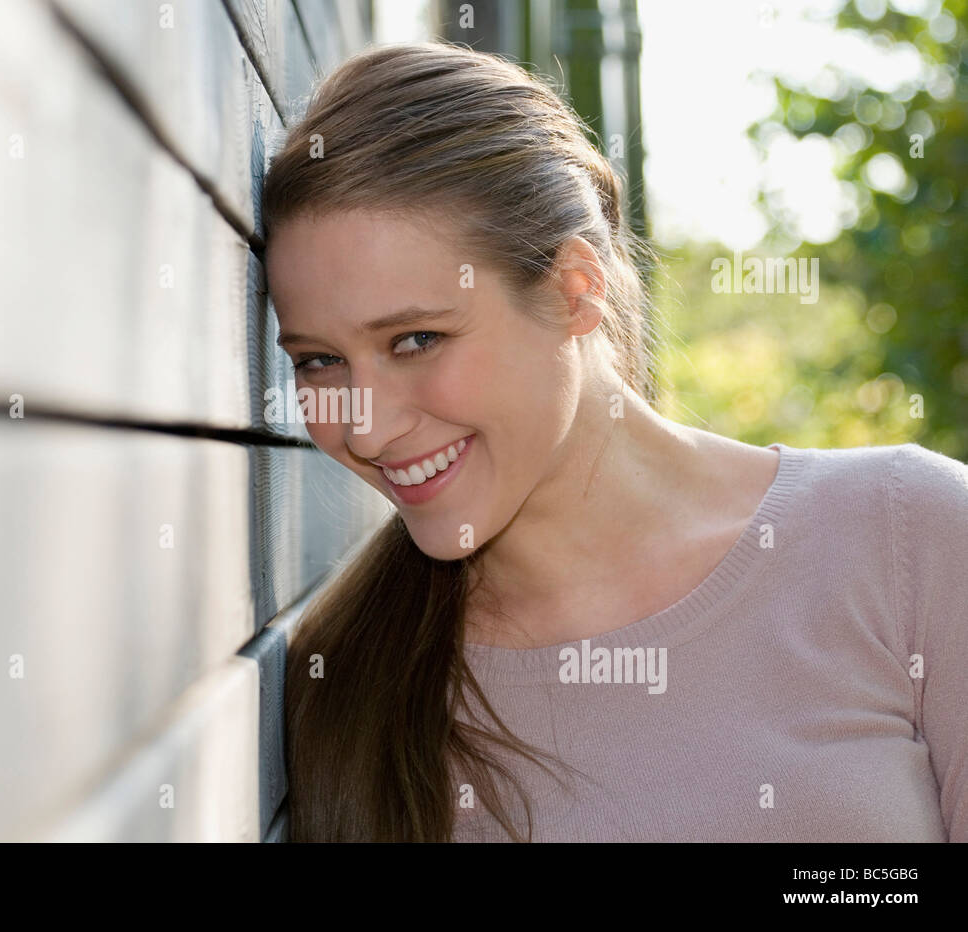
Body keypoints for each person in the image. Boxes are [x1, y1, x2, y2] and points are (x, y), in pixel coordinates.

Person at [260, 41, 968, 842]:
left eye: (416, 340)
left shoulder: (912, 539)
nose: (366, 425)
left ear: (575, 290)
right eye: (319, 361)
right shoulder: (346, 683)